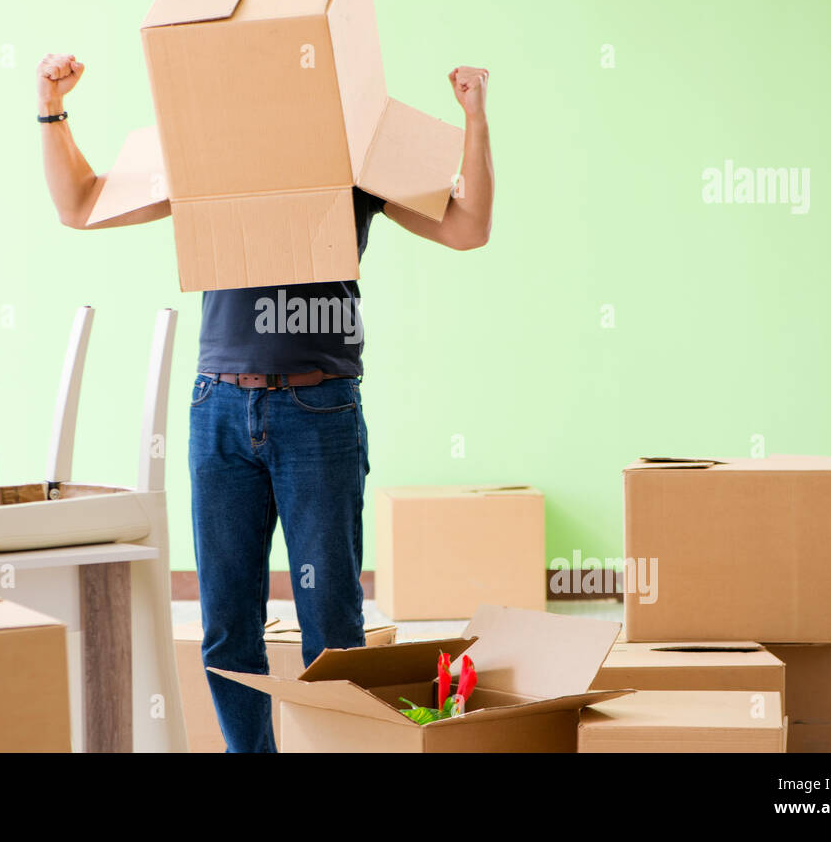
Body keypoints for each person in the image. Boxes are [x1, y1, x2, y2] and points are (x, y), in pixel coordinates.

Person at [37, 54, 494, 751]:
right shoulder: (208, 156)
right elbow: (78, 205)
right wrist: (52, 106)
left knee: (331, 625)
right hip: (218, 409)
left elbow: (467, 226)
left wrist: (475, 120)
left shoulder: (354, 158)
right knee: (225, 623)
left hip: (319, 413)